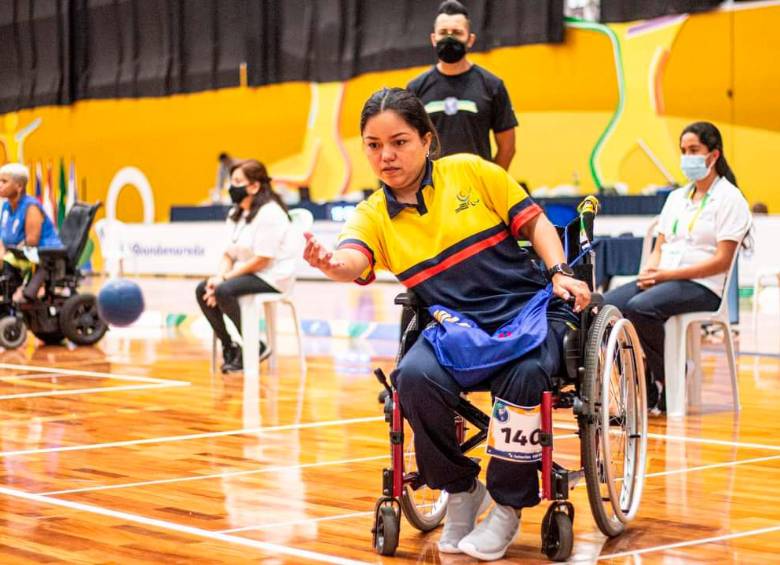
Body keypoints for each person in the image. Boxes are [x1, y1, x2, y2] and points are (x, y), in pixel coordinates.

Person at [303, 88, 589, 561]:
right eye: (373, 145)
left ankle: (505, 506)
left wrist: (559, 271)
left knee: (525, 376)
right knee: (412, 379)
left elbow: (536, 223)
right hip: (454, 329)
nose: (386, 155)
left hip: (523, 312)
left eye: (399, 141)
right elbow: (352, 258)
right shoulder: (372, 213)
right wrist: (330, 263)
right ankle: (460, 491)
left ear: (427, 140)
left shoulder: (472, 172)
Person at [604, 122, 751, 414]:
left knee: (640, 307)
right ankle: (642, 380)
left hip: (704, 286)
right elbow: (660, 244)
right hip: (663, 279)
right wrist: (651, 270)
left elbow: (722, 261)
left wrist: (666, 276)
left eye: (694, 150)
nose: (688, 158)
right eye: (684, 151)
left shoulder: (730, 199)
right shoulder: (676, 198)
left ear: (713, 155)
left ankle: (671, 373)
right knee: (603, 308)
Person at [196, 159, 298, 373]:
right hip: (248, 273)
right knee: (203, 288)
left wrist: (224, 280)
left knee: (224, 289)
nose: (231, 187)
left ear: (254, 186)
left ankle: (255, 346)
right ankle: (230, 346)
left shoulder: (270, 212)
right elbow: (228, 253)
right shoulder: (237, 214)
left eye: (237, 181)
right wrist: (218, 278)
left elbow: (263, 259)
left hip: (273, 276)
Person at [407, 0, 518, 170]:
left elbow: (507, 148)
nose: (449, 37)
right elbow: (407, 145)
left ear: (470, 39)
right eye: (443, 32)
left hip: (477, 190)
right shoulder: (415, 89)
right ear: (433, 38)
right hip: (431, 190)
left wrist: (490, 184)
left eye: (457, 32)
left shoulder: (492, 85)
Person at [0, 163, 62, 302]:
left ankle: (17, 296)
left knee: (8, 263)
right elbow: (3, 237)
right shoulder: (5, 206)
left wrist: (5, 255)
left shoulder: (31, 206)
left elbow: (31, 240)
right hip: (17, 253)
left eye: (4, 181)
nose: (0, 185)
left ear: (19, 186)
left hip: (42, 254)